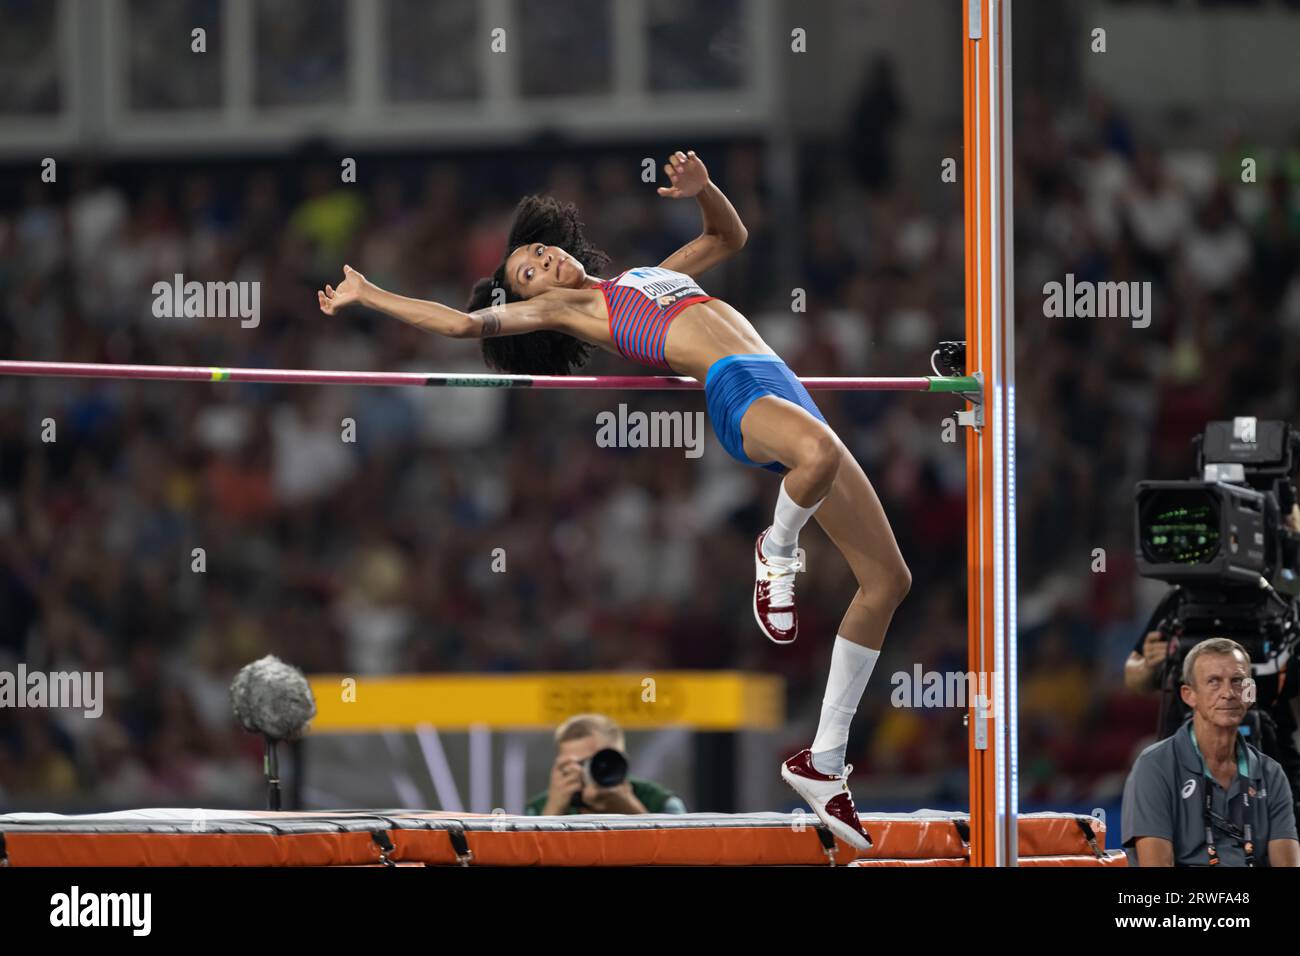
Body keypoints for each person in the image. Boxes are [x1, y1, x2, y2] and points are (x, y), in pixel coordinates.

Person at [317, 149, 912, 849]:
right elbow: (458, 325)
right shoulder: (565, 310)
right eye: (526, 273)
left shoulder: (648, 276)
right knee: (814, 456)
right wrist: (371, 293)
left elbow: (729, 239)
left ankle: (825, 760)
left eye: (537, 252)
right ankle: (775, 553)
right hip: (737, 389)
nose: (541, 263)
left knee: (887, 581)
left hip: (784, 386)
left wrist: (704, 189)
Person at [1122, 638, 1299, 867]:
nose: (1228, 693)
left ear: (1249, 693)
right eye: (1214, 681)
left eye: (1237, 681)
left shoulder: (1271, 774)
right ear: (1189, 695)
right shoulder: (1155, 766)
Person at [524, 714, 684, 816]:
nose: (590, 771)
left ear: (621, 762)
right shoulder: (539, 808)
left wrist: (631, 811)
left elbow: (681, 853)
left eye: (600, 761)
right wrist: (554, 811)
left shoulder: (659, 801)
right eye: (579, 764)